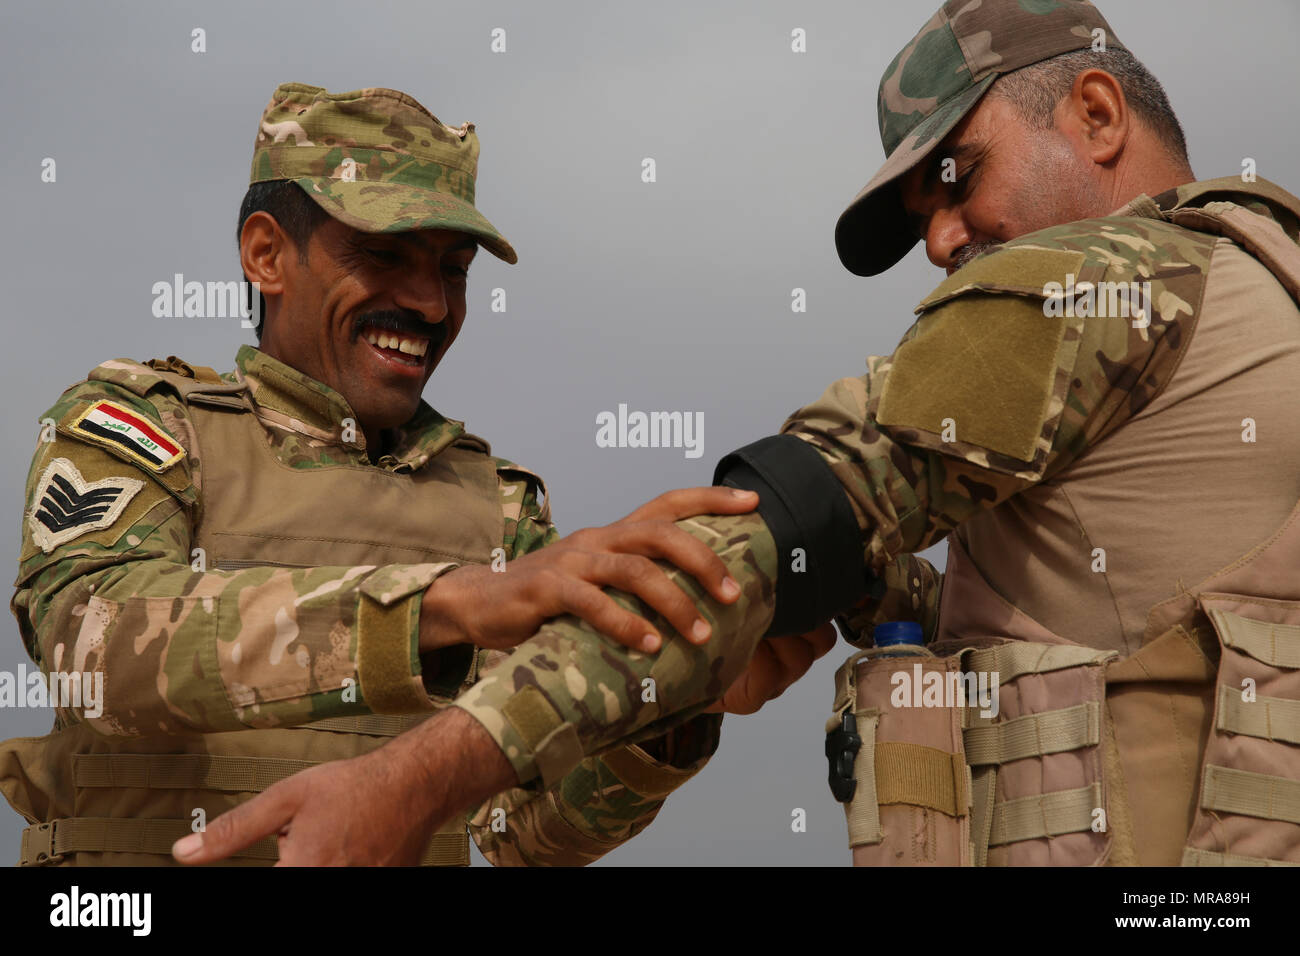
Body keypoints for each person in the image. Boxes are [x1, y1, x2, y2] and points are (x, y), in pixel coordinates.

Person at [185, 0, 1300, 867]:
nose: (943, 240)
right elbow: (1141, 601)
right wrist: (863, 595)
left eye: (957, 177)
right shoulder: (1267, 284)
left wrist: (409, 783)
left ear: (1097, 116)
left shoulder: (1097, 283)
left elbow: (776, 524)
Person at [1, 81, 833, 867]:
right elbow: (92, 646)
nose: (431, 305)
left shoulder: (497, 511)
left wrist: (675, 706)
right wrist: (443, 604)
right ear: (267, 254)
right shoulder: (144, 428)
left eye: (452, 270)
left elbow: (519, 836)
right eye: (384, 256)